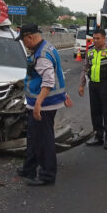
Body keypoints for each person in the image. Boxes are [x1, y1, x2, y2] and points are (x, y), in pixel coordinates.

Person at [16, 24, 73, 186]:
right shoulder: (48, 48)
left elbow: (48, 81)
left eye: (24, 40)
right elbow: (57, 74)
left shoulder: (41, 56)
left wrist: (38, 104)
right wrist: (63, 95)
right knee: (33, 137)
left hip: (44, 105)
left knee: (43, 140)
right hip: (44, 102)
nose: (24, 44)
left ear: (30, 37)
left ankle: (47, 175)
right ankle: (29, 167)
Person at [79, 28, 107, 149]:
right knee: (95, 112)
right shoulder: (90, 51)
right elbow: (85, 68)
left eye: (98, 38)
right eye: (94, 38)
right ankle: (98, 136)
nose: (95, 41)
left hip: (106, 84)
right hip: (93, 85)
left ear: (104, 38)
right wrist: (82, 85)